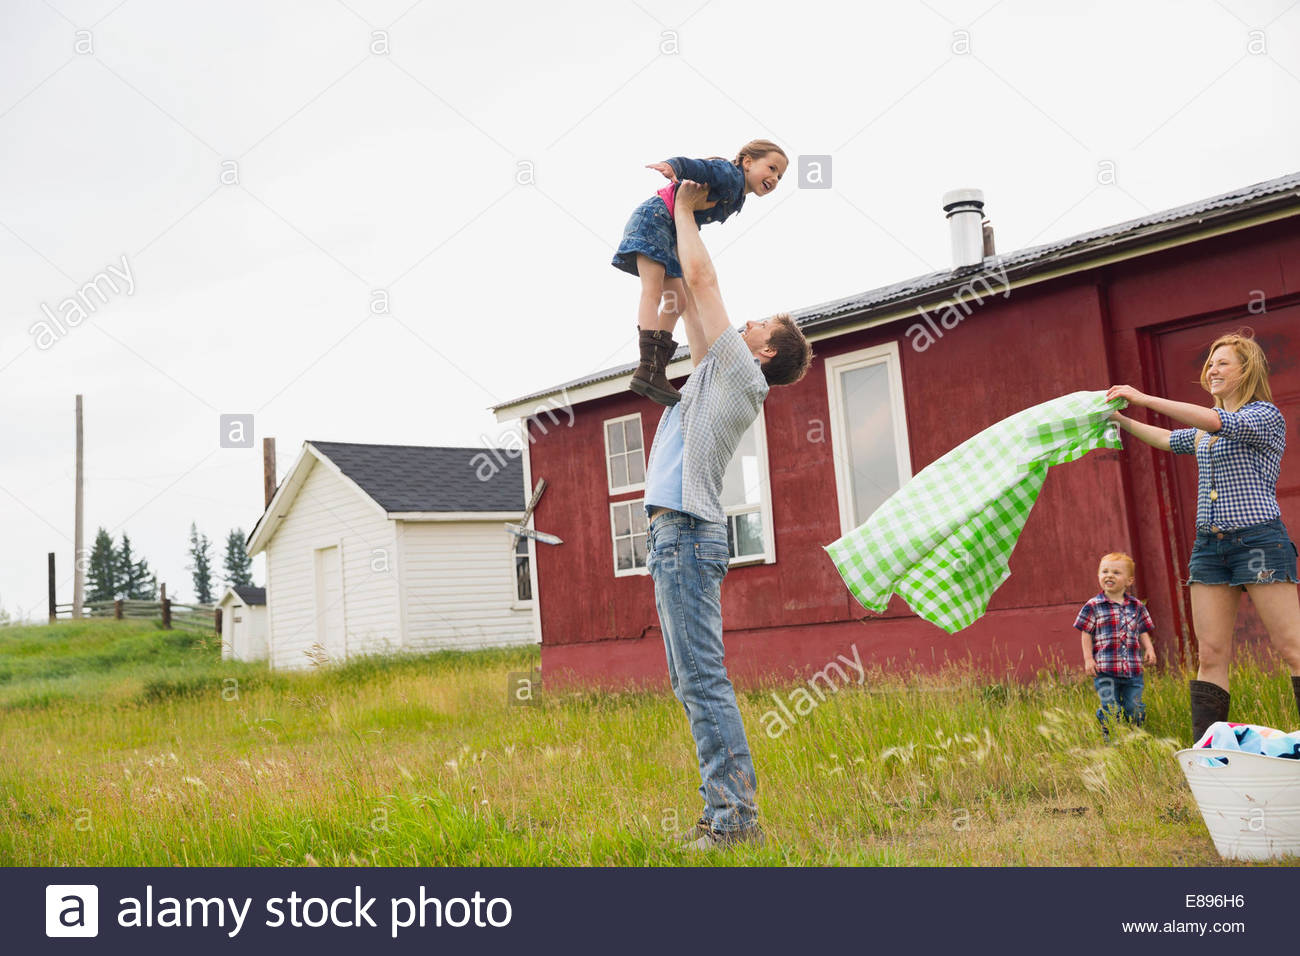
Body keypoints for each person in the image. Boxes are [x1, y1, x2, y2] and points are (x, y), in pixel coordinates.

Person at [642, 179, 811, 850]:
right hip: (677, 535)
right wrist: (663, 241)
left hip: (684, 534)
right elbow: (691, 297)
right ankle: (723, 814)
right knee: (692, 681)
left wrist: (686, 208)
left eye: (755, 328)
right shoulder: (720, 370)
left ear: (764, 352)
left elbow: (705, 283)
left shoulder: (744, 376)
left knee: (703, 681)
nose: (743, 325)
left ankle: (736, 821)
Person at [1107, 330, 1300, 743]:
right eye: (1210, 363)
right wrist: (1120, 420)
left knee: (1293, 648)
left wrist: (1142, 398)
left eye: (1222, 362)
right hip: (1210, 548)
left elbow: (1215, 420)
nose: (1212, 369)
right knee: (1210, 656)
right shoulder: (1207, 433)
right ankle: (1209, 758)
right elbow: (1168, 439)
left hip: (1257, 543)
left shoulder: (1263, 416)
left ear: (1246, 370)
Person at [611, 140, 789, 406]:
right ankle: (648, 365)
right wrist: (673, 166)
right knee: (653, 291)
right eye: (772, 168)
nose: (774, 178)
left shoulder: (738, 194)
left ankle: (655, 371)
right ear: (748, 162)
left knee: (679, 302)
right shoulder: (729, 174)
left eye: (780, 176)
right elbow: (699, 168)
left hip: (670, 230)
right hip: (655, 218)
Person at [1074, 552, 1157, 738]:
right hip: (1105, 670)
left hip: (1133, 671)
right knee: (1111, 708)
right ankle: (1111, 738)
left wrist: (1150, 649)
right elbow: (1086, 632)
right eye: (1104, 571)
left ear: (1129, 580)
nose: (1109, 575)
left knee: (1133, 707)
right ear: (1098, 576)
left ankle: (1136, 736)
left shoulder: (1136, 606)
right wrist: (1088, 659)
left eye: (1116, 573)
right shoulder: (1093, 606)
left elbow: (1142, 629)